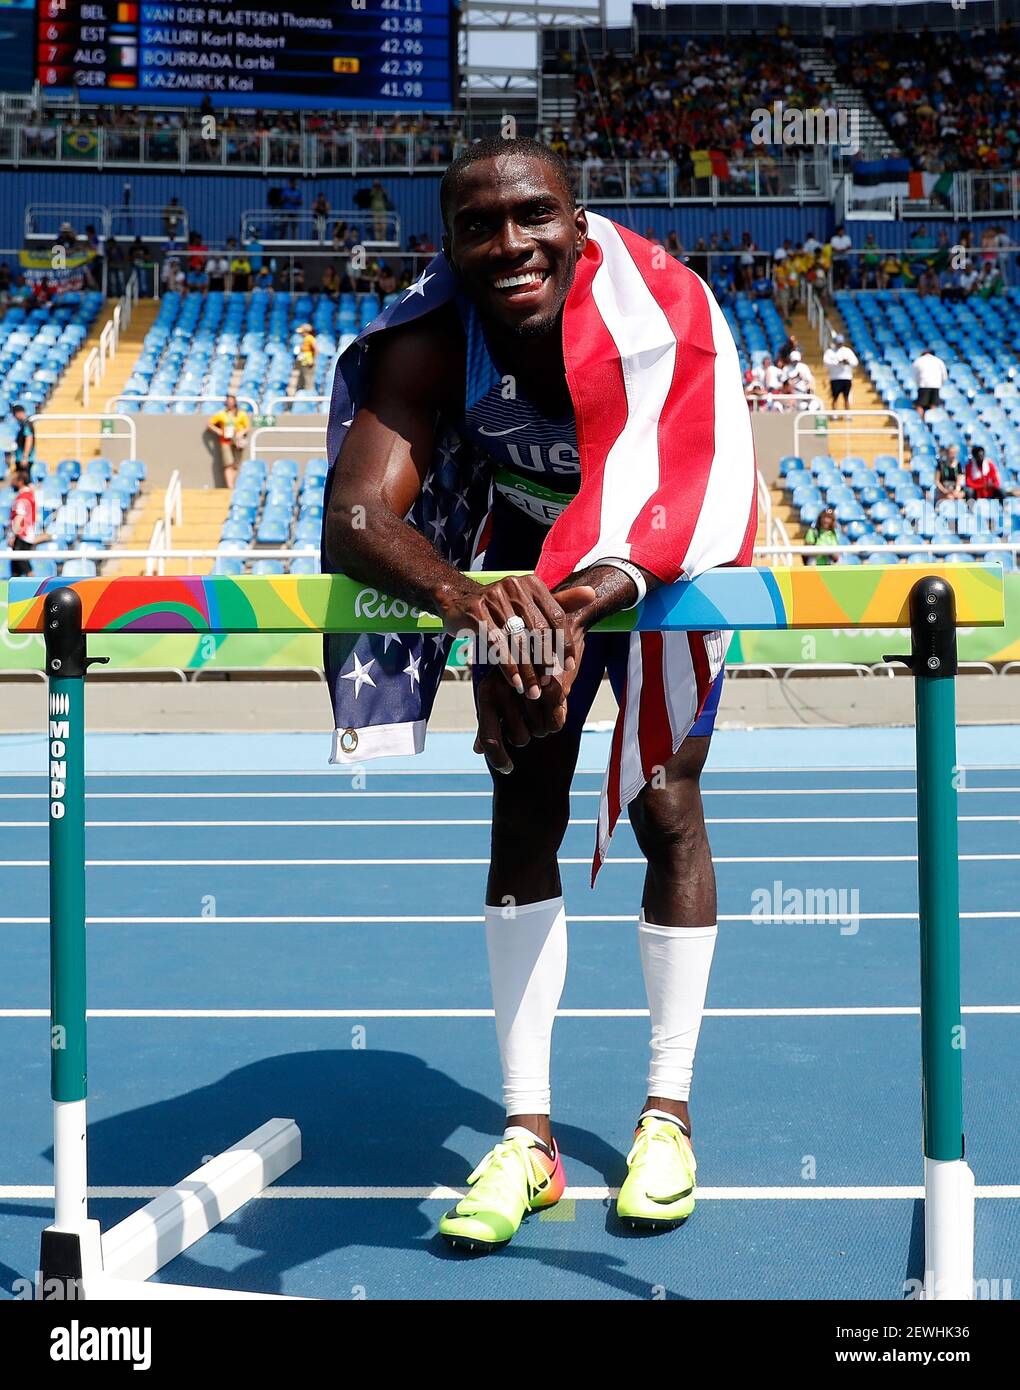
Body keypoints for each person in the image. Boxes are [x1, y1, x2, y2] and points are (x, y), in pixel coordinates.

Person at [322, 137, 756, 1251]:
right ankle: (528, 1137)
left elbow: (691, 480)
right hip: (520, 547)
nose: (510, 244)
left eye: (533, 217)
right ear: (451, 241)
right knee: (523, 802)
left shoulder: (661, 305)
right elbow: (359, 515)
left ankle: (668, 1112)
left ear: (576, 218)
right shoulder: (435, 330)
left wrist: (570, 607)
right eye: (480, 225)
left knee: (667, 803)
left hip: (664, 551)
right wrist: (479, 604)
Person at [6, 466, 45, 576]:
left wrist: (12, 535)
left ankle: (36, 589)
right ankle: (15, 591)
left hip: (22, 535)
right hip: (26, 534)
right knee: (16, 567)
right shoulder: (30, 494)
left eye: (14, 478)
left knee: (24, 565)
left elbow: (20, 517)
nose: (12, 481)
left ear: (20, 481)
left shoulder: (23, 496)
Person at [207, 394, 250, 488]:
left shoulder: (241, 414)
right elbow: (209, 423)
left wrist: (241, 432)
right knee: (228, 463)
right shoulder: (221, 414)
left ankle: (232, 485)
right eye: (228, 401)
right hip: (225, 440)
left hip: (238, 441)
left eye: (231, 401)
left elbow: (247, 427)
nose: (230, 403)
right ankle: (230, 486)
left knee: (235, 464)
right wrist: (218, 431)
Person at [822, 334, 859, 409]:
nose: (840, 344)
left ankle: (847, 414)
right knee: (835, 397)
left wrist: (848, 362)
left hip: (846, 377)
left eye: (841, 343)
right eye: (838, 343)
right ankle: (834, 414)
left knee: (846, 397)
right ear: (835, 342)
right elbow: (826, 362)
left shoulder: (847, 351)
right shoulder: (829, 352)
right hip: (835, 378)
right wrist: (837, 362)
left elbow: (855, 362)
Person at [912, 347, 948, 416]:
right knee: (933, 404)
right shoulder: (938, 361)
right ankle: (932, 419)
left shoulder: (918, 360)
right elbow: (944, 375)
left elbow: (914, 375)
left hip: (924, 385)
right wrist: (941, 384)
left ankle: (920, 419)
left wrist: (918, 384)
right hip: (936, 385)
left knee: (920, 405)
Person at [9, 404, 36, 471]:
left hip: (24, 459)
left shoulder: (26, 424)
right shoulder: (22, 424)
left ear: (19, 413)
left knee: (24, 479)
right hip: (21, 458)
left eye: (14, 414)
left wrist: (25, 457)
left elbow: (29, 439)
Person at [294, 322, 317, 392]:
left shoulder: (310, 338)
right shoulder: (306, 338)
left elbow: (316, 349)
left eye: (302, 332)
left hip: (308, 361)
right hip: (304, 361)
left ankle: (309, 392)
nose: (300, 334)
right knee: (303, 377)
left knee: (308, 378)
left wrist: (313, 360)